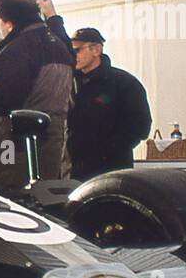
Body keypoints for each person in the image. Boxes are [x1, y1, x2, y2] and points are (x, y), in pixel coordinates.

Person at [0, 0, 73, 186]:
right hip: (50, 149)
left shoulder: (17, 50)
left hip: (12, 153)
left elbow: (3, 100)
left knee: (8, 207)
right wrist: (53, 18)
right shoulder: (59, 46)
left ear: (7, 22)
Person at [65, 27, 152, 180]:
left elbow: (140, 125)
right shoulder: (67, 83)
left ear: (96, 50)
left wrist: (107, 152)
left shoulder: (124, 83)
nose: (73, 55)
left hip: (111, 171)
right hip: (73, 171)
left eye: (77, 50)